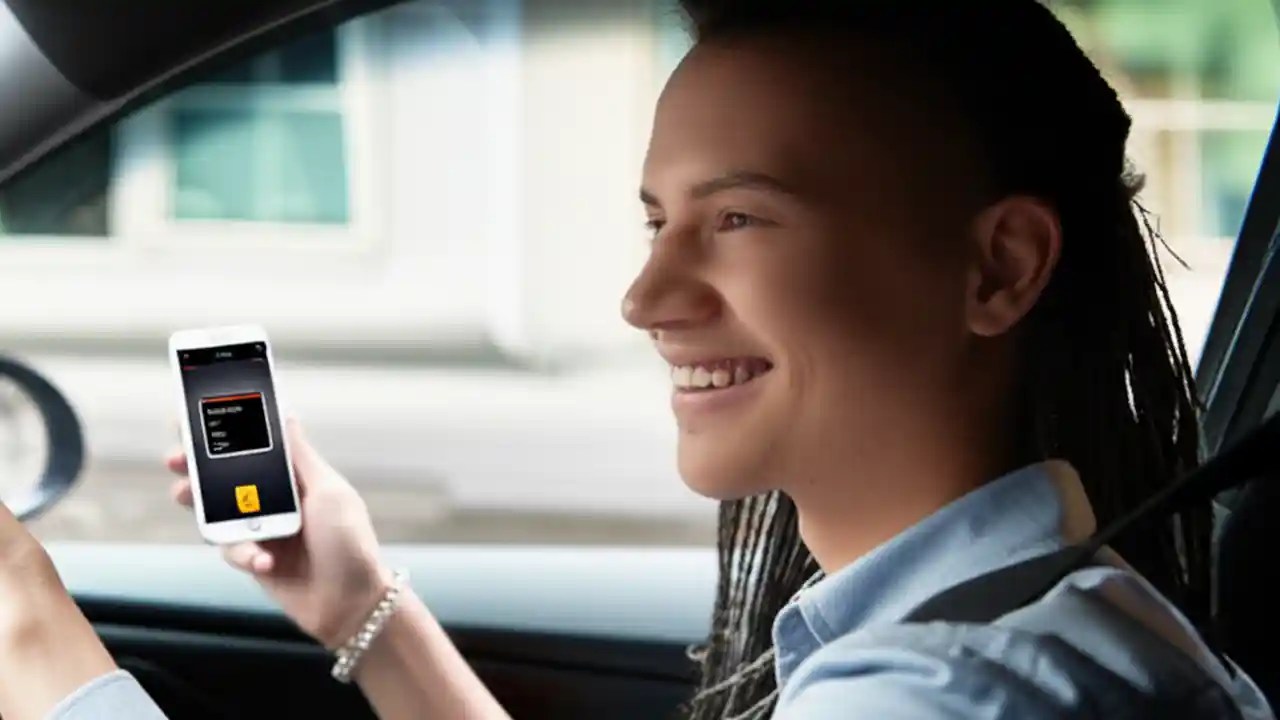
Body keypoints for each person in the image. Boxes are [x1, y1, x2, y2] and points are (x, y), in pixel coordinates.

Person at [0, 0, 1273, 718]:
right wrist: (359, 605)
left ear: (996, 268)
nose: (643, 297)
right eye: (657, 222)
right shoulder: (1076, 623)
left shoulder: (940, 697)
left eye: (736, 220)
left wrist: (44, 660)